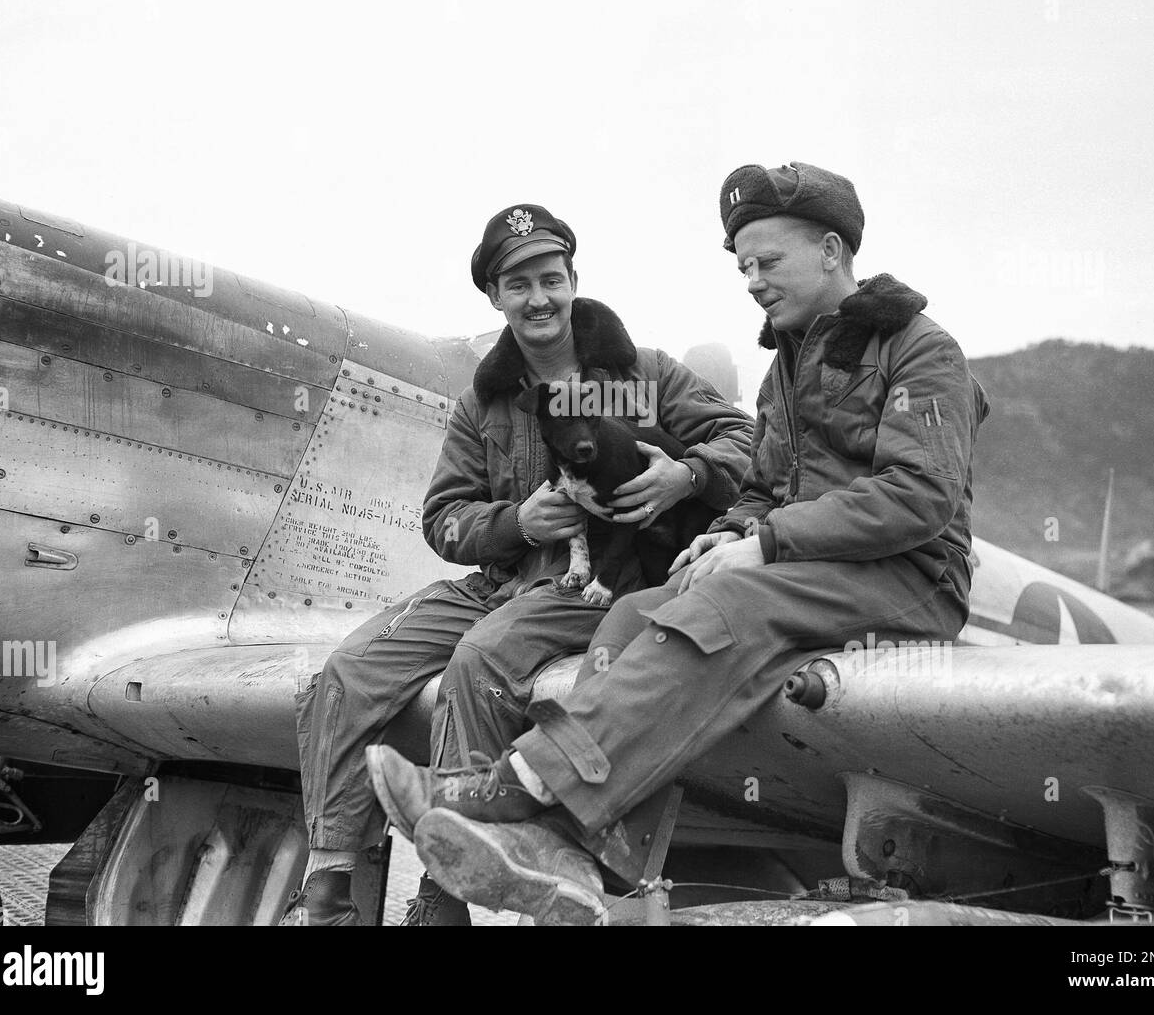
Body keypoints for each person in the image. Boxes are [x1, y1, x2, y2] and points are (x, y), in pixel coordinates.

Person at [366, 161, 991, 925]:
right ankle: (592, 861)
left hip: (911, 575)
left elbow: (918, 498)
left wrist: (761, 545)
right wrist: (724, 533)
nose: (754, 280)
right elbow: (764, 488)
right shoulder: (785, 370)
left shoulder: (922, 350)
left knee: (731, 599)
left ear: (831, 250)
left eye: (770, 261)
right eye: (744, 267)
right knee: (629, 617)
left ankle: (523, 785)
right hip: (817, 568)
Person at [284, 203, 753, 925]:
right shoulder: (483, 402)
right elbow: (444, 519)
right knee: (348, 670)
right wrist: (516, 522)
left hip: (602, 586)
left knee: (480, 661)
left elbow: (742, 440)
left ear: (572, 280)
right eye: (519, 284)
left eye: (551, 278)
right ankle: (328, 893)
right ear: (495, 297)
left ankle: (442, 896)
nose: (538, 299)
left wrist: (683, 477)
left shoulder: (642, 374)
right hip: (501, 580)